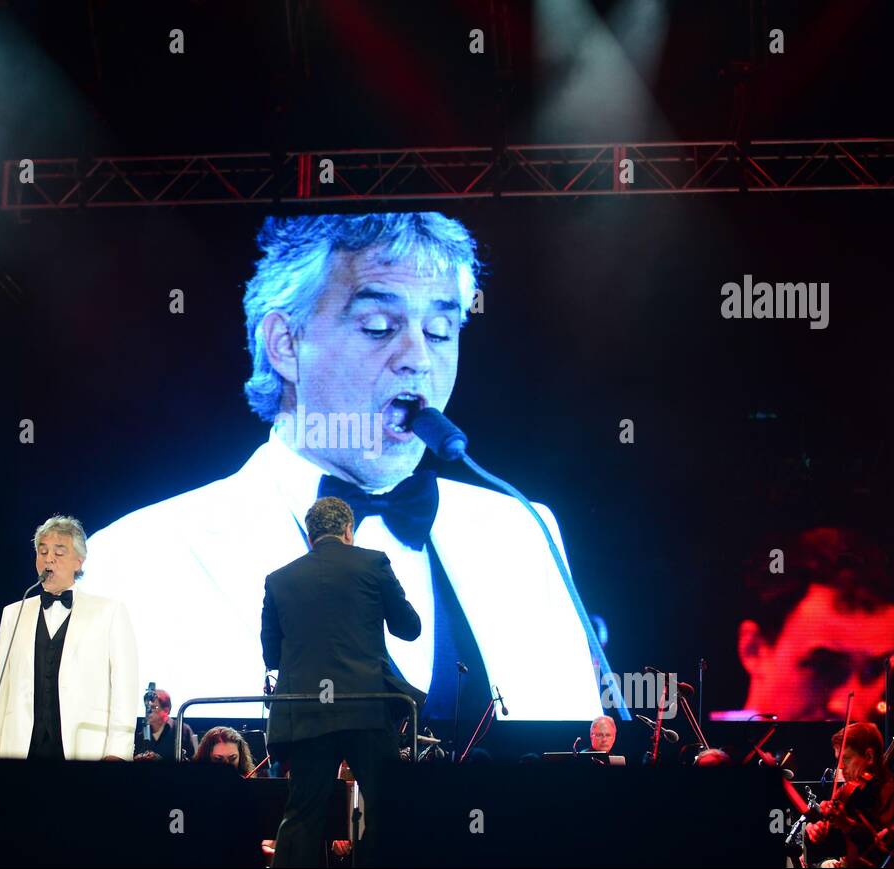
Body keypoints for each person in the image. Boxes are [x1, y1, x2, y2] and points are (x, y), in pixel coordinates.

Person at [81, 213, 602, 721]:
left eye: (441, 330)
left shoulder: (524, 530)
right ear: (285, 344)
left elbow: (580, 760)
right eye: (378, 326)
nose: (419, 358)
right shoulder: (130, 560)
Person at [262, 496, 423, 867]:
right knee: (388, 806)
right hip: (365, 709)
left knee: (303, 813)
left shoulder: (279, 579)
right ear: (349, 530)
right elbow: (409, 628)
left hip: (305, 712)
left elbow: (272, 655)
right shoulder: (373, 563)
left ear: (310, 535)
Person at [0, 515, 139, 761]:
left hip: (84, 747)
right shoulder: (14, 613)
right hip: (20, 747)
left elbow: (124, 688)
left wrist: (117, 752)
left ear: (79, 561)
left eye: (59, 552)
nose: (49, 559)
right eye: (42, 552)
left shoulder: (110, 612)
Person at [716, 528, 894, 721]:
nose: (844, 707)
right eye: (825, 667)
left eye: (873, 671)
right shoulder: (700, 745)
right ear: (754, 650)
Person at [803, 722, 894, 868]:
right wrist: (815, 829)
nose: (840, 767)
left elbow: (884, 852)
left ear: (869, 756)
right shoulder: (848, 791)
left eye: (846, 759)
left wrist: (847, 824)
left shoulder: (890, 792)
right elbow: (832, 844)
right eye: (838, 760)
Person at [134, 689, 197, 762]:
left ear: (166, 709)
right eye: (147, 707)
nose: (148, 711)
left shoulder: (182, 730)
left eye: (154, 707)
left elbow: (193, 759)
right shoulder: (140, 736)